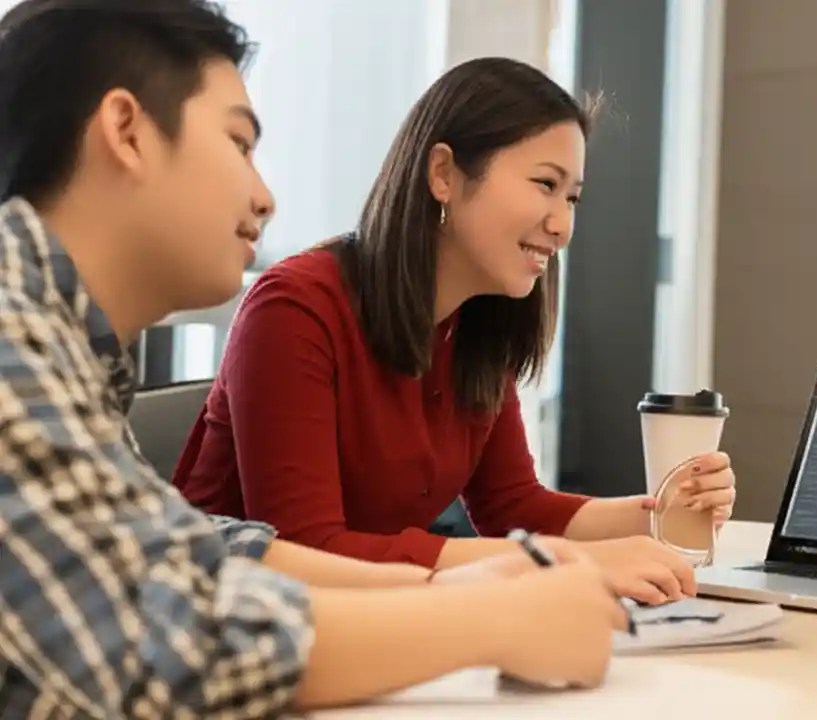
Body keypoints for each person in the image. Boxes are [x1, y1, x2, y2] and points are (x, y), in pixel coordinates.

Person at [0, 1, 625, 714]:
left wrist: (473, 585)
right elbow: (152, 652)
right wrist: (494, 617)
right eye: (240, 144)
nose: (264, 197)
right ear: (127, 132)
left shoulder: (66, 355)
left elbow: (188, 551)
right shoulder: (11, 335)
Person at [171, 56, 739, 605]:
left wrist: (663, 511)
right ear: (443, 173)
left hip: (374, 624)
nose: (563, 225)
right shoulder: (295, 308)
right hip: (233, 634)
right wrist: (556, 565)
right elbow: (309, 551)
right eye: (545, 184)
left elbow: (514, 504)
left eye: (573, 197)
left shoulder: (474, 325)